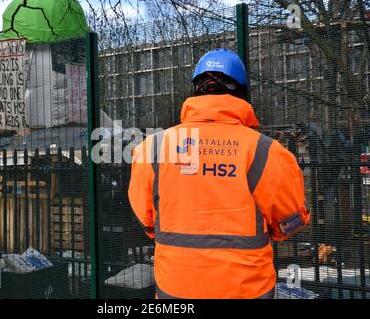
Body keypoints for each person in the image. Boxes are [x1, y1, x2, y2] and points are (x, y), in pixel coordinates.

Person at [128, 48, 310, 299]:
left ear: (195, 91)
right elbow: (288, 222)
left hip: (175, 291)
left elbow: (147, 220)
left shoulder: (153, 149)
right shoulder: (267, 152)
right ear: (243, 93)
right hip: (246, 291)